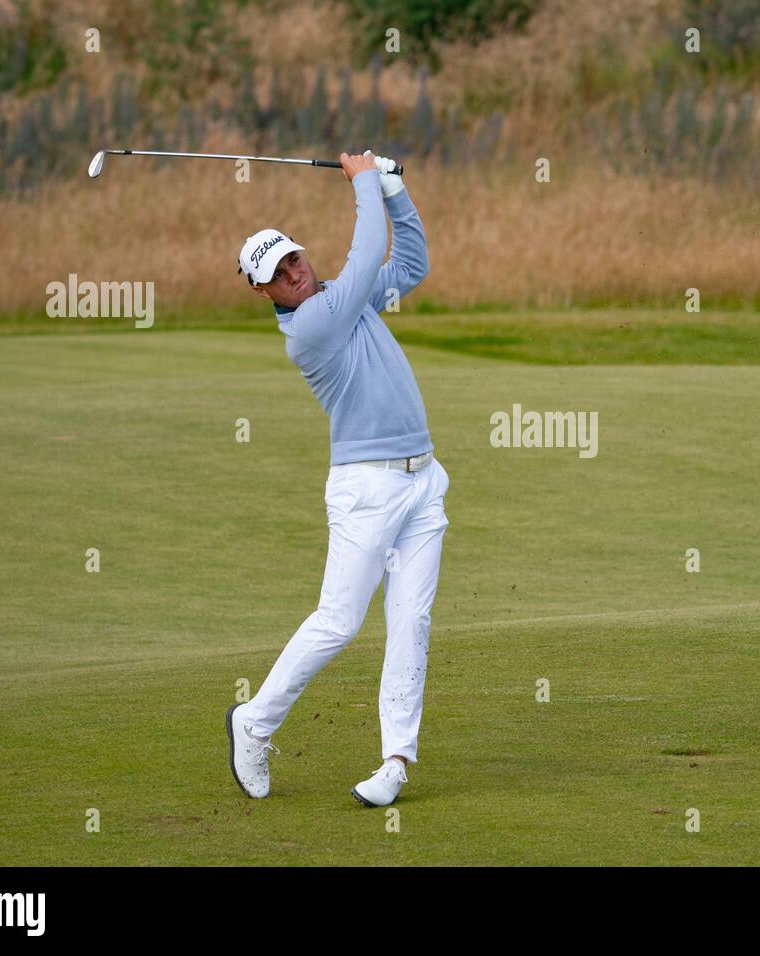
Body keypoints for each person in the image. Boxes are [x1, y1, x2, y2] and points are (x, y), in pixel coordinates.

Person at [225, 150, 449, 808]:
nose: (295, 272)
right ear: (263, 291)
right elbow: (369, 248)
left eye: (293, 258)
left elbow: (410, 264)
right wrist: (361, 181)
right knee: (338, 622)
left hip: (422, 480)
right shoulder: (314, 326)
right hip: (366, 489)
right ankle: (255, 722)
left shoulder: (336, 300)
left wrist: (396, 189)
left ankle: (395, 763)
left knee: (412, 621)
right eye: (278, 273)